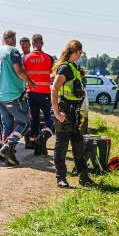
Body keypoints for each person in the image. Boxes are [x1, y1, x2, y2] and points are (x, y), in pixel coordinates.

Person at [0, 29, 46, 166]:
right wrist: (30, 82)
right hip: (13, 94)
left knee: (8, 127)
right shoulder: (13, 51)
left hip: (0, 95)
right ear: (14, 39)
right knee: (25, 123)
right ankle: (8, 146)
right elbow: (18, 70)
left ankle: (8, 159)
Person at [50, 39, 93, 189]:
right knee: (62, 145)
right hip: (64, 110)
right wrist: (56, 112)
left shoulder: (74, 67)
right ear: (78, 52)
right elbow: (54, 89)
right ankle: (61, 177)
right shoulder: (64, 68)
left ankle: (83, 175)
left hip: (75, 111)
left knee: (78, 144)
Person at [24, 33, 55, 154]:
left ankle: (37, 147)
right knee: (50, 118)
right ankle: (42, 138)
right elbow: (53, 74)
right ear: (42, 43)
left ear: (32, 44)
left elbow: (22, 73)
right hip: (44, 93)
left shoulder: (26, 58)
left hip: (31, 93)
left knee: (34, 120)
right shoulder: (49, 58)